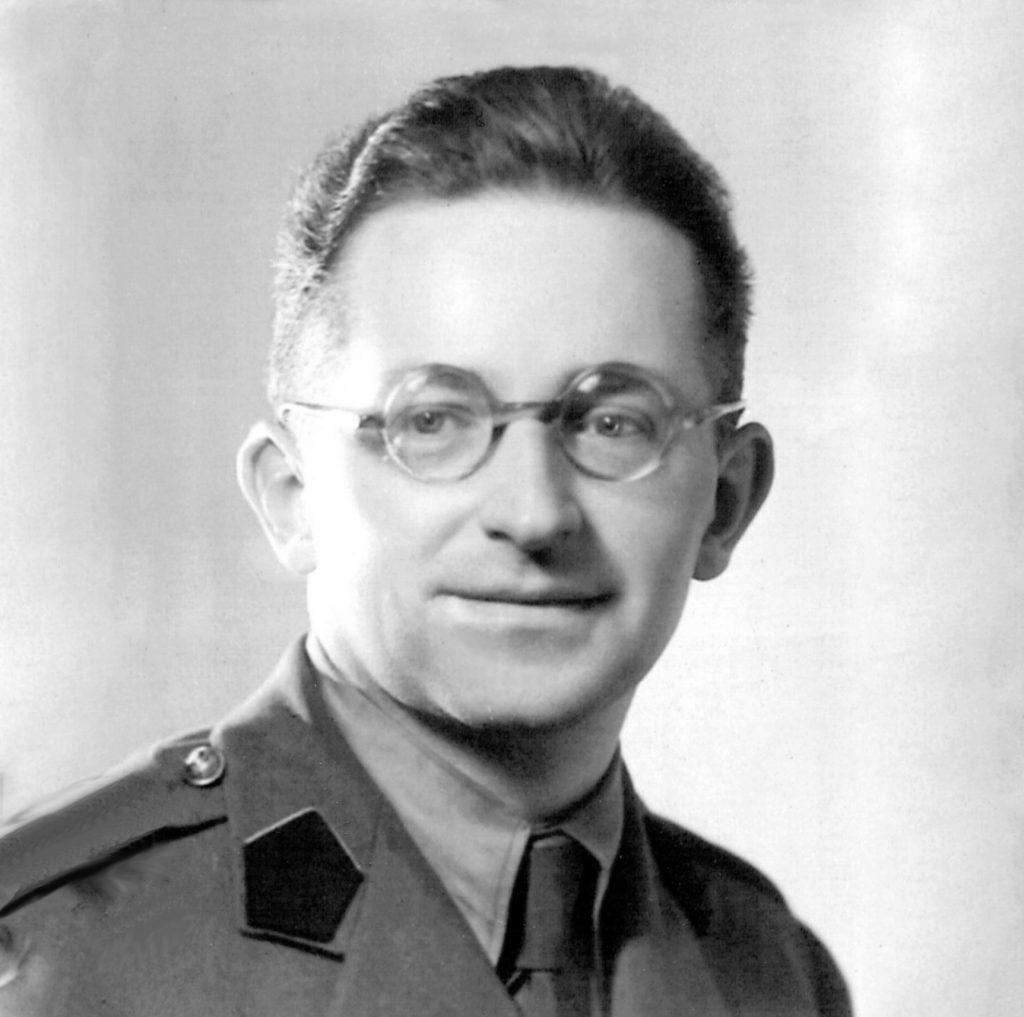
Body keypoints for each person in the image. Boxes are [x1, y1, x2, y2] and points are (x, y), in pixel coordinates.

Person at [0, 65, 851, 1016]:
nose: (533, 514)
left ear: (727, 501)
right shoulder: (58, 955)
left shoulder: (772, 972)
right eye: (435, 421)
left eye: (613, 422)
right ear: (292, 495)